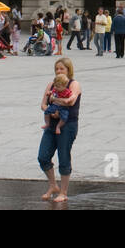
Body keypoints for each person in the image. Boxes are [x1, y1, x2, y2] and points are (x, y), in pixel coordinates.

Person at [38, 58, 81, 203]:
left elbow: (71, 101)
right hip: (52, 123)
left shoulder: (74, 84)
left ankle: (63, 192)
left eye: (62, 68)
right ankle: (53, 185)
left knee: (63, 157)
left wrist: (55, 101)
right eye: (57, 69)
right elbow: (43, 104)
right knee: (43, 156)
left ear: (68, 70)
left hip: (68, 125)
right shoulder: (51, 84)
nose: (59, 71)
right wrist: (50, 112)